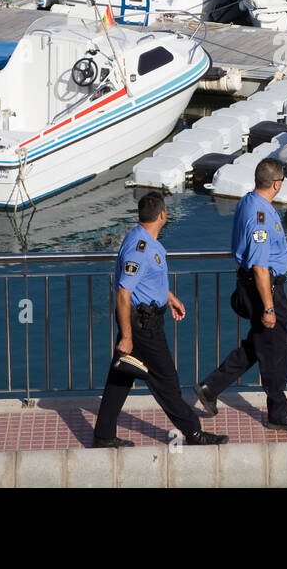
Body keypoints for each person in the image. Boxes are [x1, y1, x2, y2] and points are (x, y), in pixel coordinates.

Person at [92, 192, 227, 448]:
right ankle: (194, 433)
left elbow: (147, 281)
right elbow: (124, 292)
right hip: (143, 327)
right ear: (163, 215)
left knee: (120, 379)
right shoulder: (139, 248)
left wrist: (170, 297)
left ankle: (103, 435)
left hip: (145, 319)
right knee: (167, 382)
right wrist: (128, 336)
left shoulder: (141, 238)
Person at [194, 158, 287, 431]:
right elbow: (260, 267)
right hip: (264, 288)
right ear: (276, 184)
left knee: (260, 344)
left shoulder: (249, 201)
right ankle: (278, 413)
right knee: (276, 350)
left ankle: (211, 387)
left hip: (255, 286)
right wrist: (269, 307)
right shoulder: (260, 216)